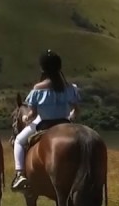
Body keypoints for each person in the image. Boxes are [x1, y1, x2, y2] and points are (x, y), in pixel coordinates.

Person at [12, 49, 80, 191]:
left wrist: (25, 117)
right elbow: (76, 110)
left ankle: (20, 174)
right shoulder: (70, 88)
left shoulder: (38, 89)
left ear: (43, 68)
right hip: (65, 123)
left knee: (18, 140)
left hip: (44, 123)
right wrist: (72, 115)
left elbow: (32, 114)